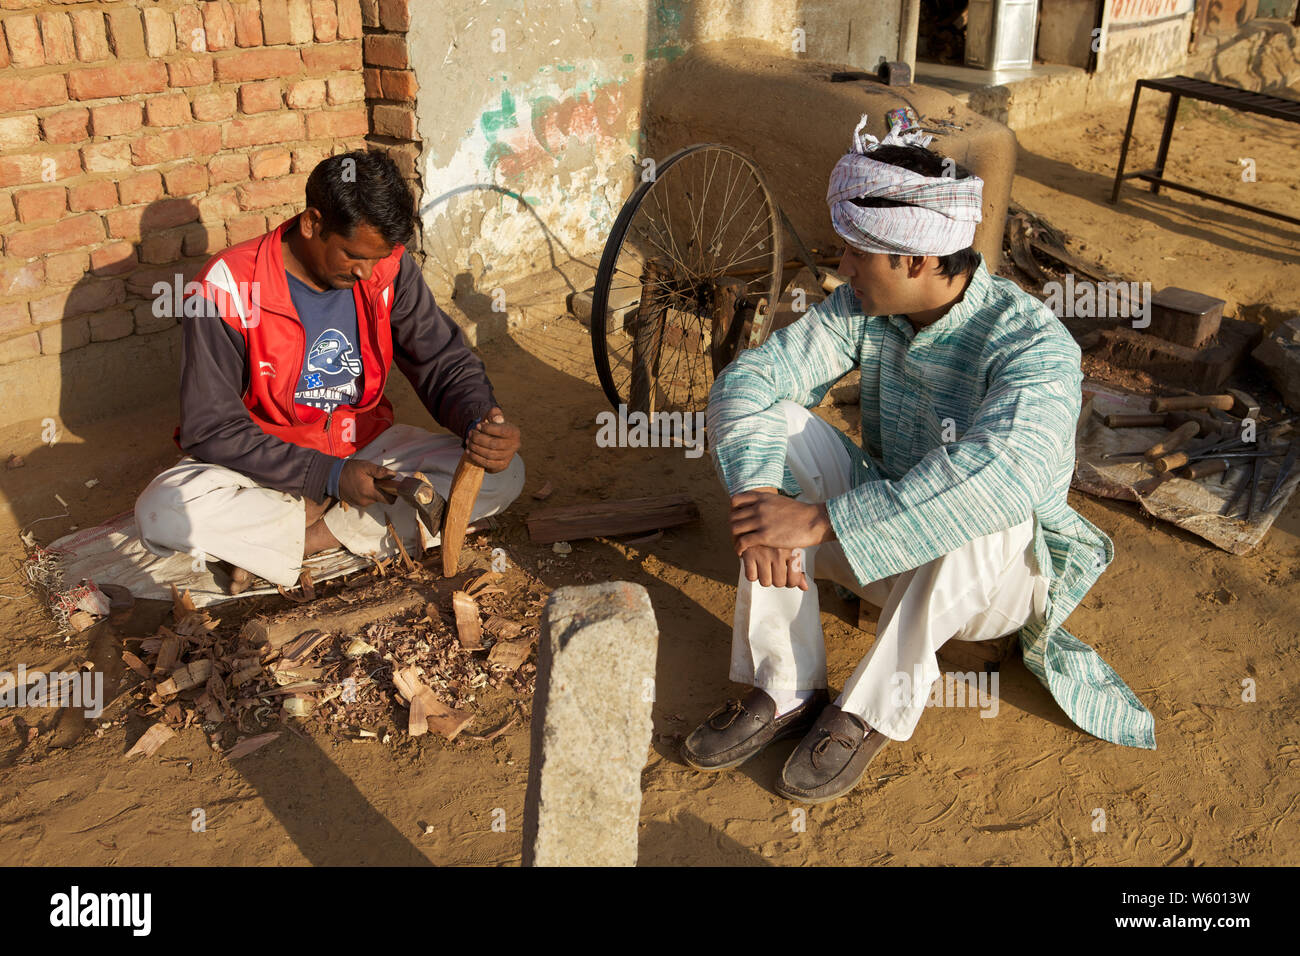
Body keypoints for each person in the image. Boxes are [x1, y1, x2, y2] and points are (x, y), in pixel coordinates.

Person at [681, 117, 1155, 805]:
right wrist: (762, 501)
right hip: (878, 549)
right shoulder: (861, 308)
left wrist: (815, 521)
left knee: (995, 505)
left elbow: (1002, 474)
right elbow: (748, 384)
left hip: (986, 588)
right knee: (773, 429)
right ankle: (784, 687)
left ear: (917, 260)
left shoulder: (1036, 348)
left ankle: (868, 712)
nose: (841, 268)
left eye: (856, 254)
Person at [135, 150, 523, 594]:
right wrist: (327, 477)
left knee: (505, 474)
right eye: (354, 255)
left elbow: (442, 360)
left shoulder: (386, 268)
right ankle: (339, 527)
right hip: (267, 466)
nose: (366, 272)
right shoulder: (226, 287)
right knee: (161, 509)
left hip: (365, 449)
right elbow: (212, 427)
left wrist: (480, 419)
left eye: (378, 259)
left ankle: (306, 539)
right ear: (312, 223)